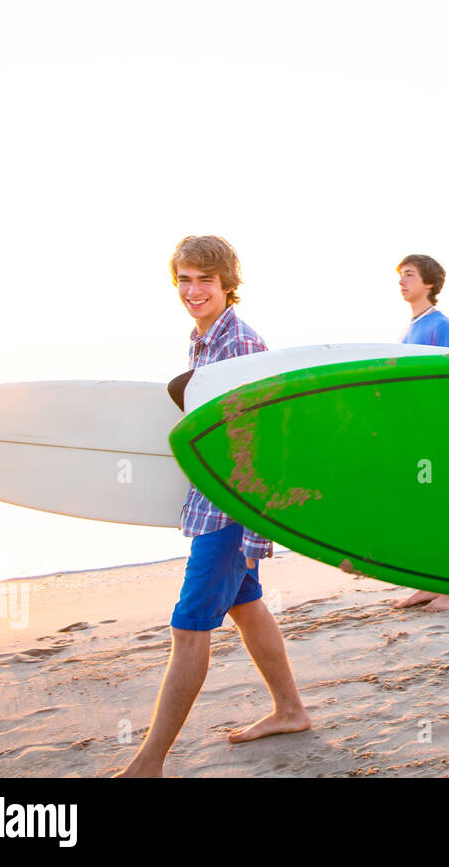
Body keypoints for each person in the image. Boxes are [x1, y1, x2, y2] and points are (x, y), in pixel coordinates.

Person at [118, 236, 310, 777]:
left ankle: (149, 762)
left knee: (188, 627)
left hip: (230, 511)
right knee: (246, 608)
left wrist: (254, 530)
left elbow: (264, 444)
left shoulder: (241, 345)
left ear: (228, 284)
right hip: (211, 504)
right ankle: (290, 709)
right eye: (184, 279)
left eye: (205, 279)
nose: (194, 290)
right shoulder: (203, 342)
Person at [392, 254, 449, 612]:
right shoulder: (410, 328)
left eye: (409, 275)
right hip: (414, 432)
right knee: (421, 509)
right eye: (400, 275)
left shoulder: (442, 326)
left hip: (438, 435)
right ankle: (429, 582)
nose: (402, 281)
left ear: (429, 283)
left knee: (446, 508)